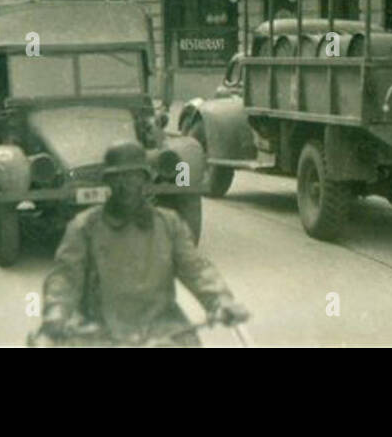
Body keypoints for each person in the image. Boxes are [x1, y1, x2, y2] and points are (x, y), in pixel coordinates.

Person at [40, 141, 248, 346]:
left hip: (162, 325)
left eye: (132, 176)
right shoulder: (84, 226)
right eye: (117, 177)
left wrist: (220, 301)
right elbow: (66, 277)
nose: (125, 185)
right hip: (100, 328)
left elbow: (195, 268)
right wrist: (56, 312)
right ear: (108, 182)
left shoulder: (169, 223)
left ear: (145, 180)